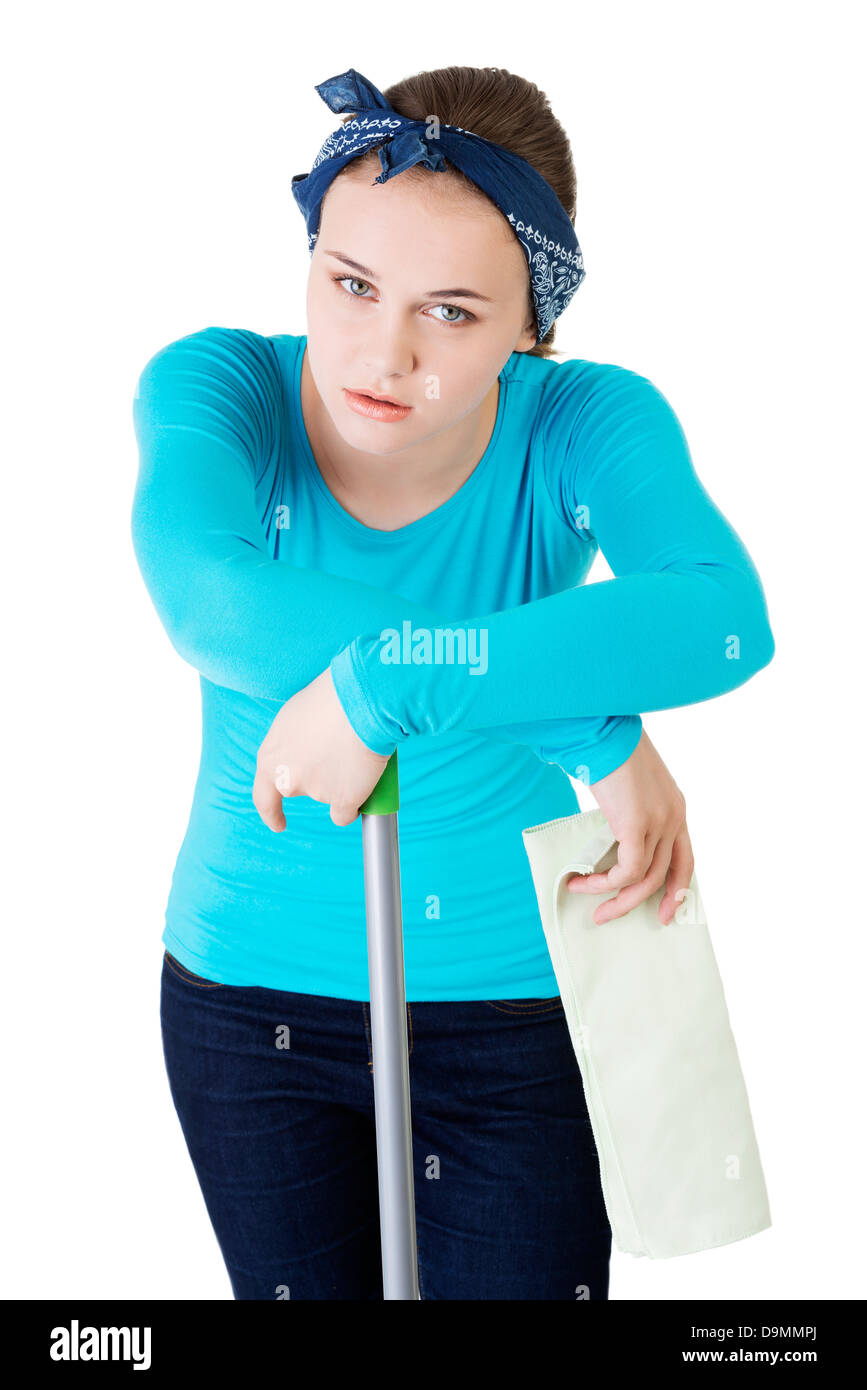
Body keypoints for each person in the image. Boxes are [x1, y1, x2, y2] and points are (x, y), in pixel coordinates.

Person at [131, 66, 775, 1301]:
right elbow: (210, 602)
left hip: (515, 1017)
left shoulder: (582, 421)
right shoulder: (222, 390)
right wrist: (584, 718)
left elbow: (725, 620)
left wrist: (379, 686)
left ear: (532, 330)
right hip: (248, 1006)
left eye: (456, 313)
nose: (384, 353)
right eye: (352, 284)